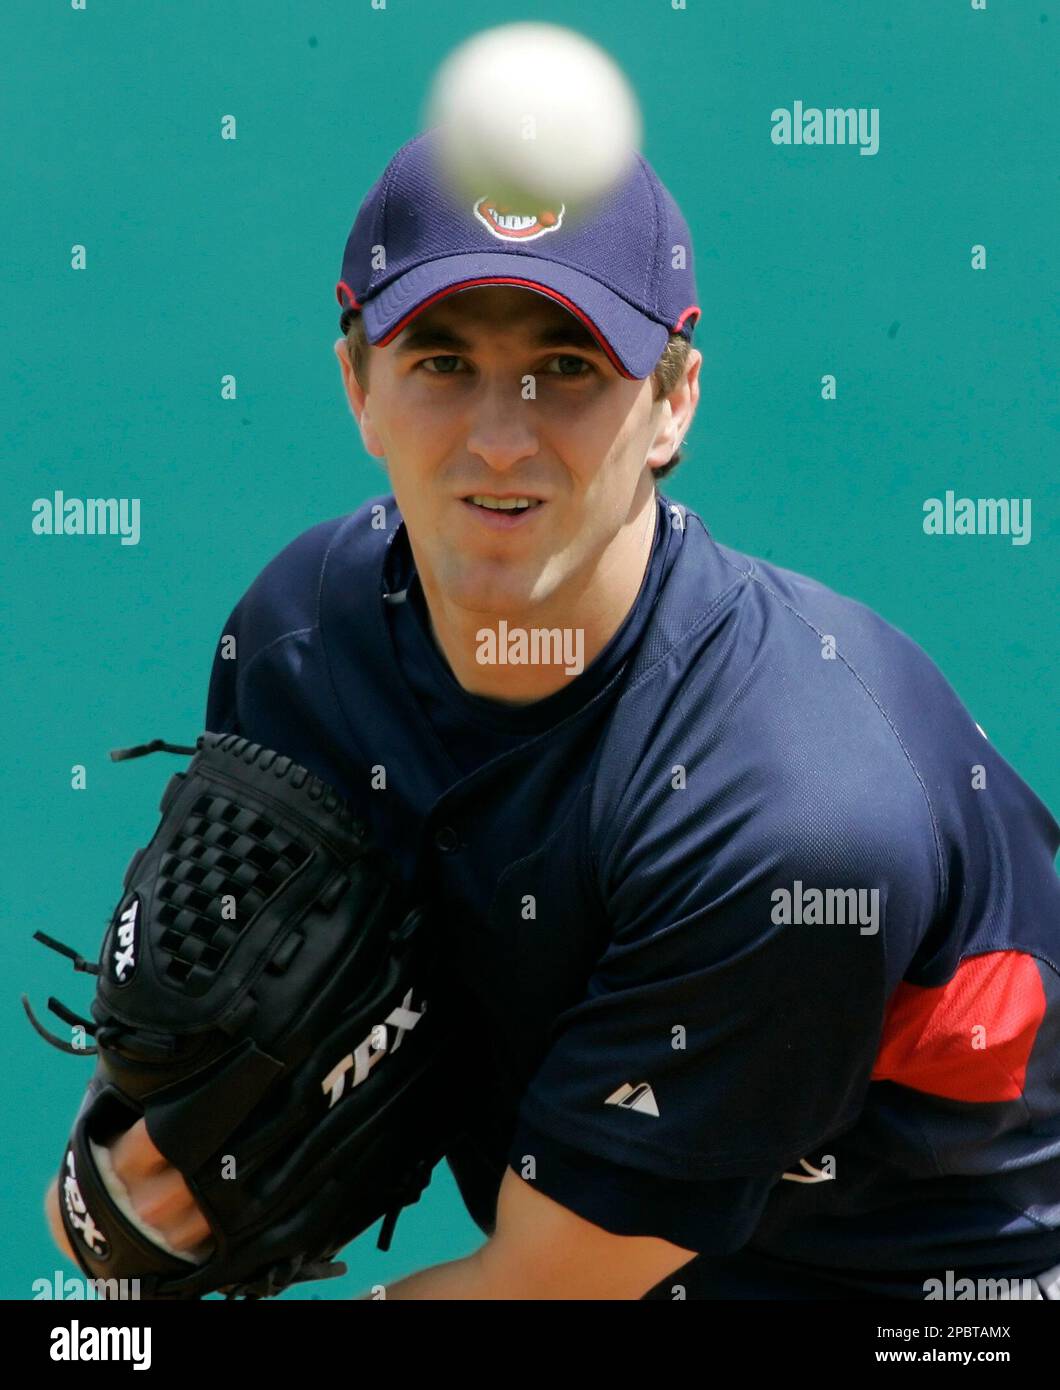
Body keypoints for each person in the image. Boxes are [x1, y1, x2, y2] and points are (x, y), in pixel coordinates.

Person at [46, 131, 1060, 1300]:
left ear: (673, 398)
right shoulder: (305, 643)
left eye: (568, 368)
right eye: (439, 360)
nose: (500, 436)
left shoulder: (788, 818)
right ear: (357, 386)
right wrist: (118, 1184)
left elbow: (537, 1289)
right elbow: (166, 1107)